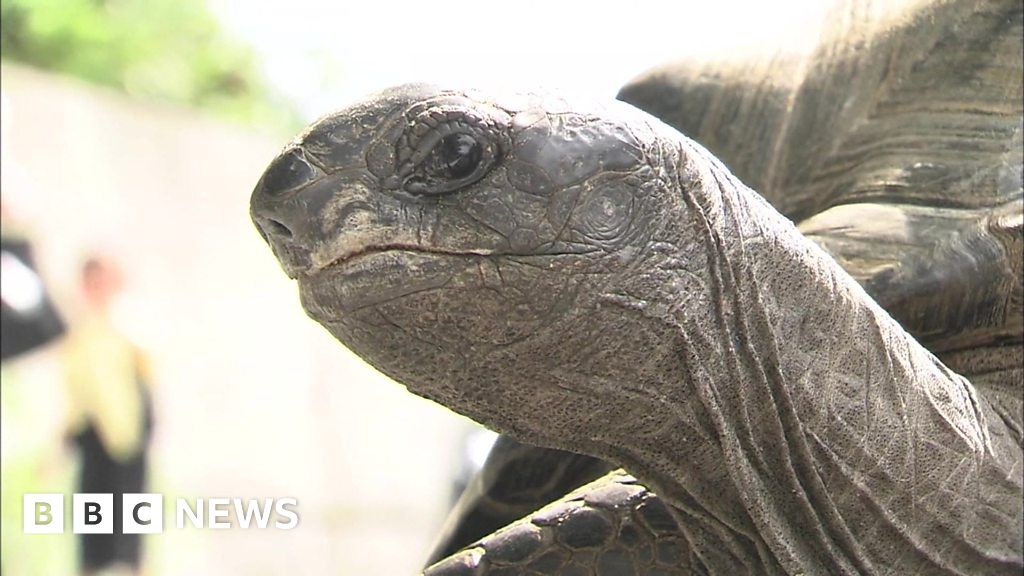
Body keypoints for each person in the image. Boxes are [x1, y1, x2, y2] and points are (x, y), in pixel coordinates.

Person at [63, 257, 153, 576]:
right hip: (93, 434)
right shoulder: (79, 329)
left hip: (128, 432)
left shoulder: (126, 325)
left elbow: (143, 375)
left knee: (131, 525)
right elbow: (76, 389)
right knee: (94, 528)